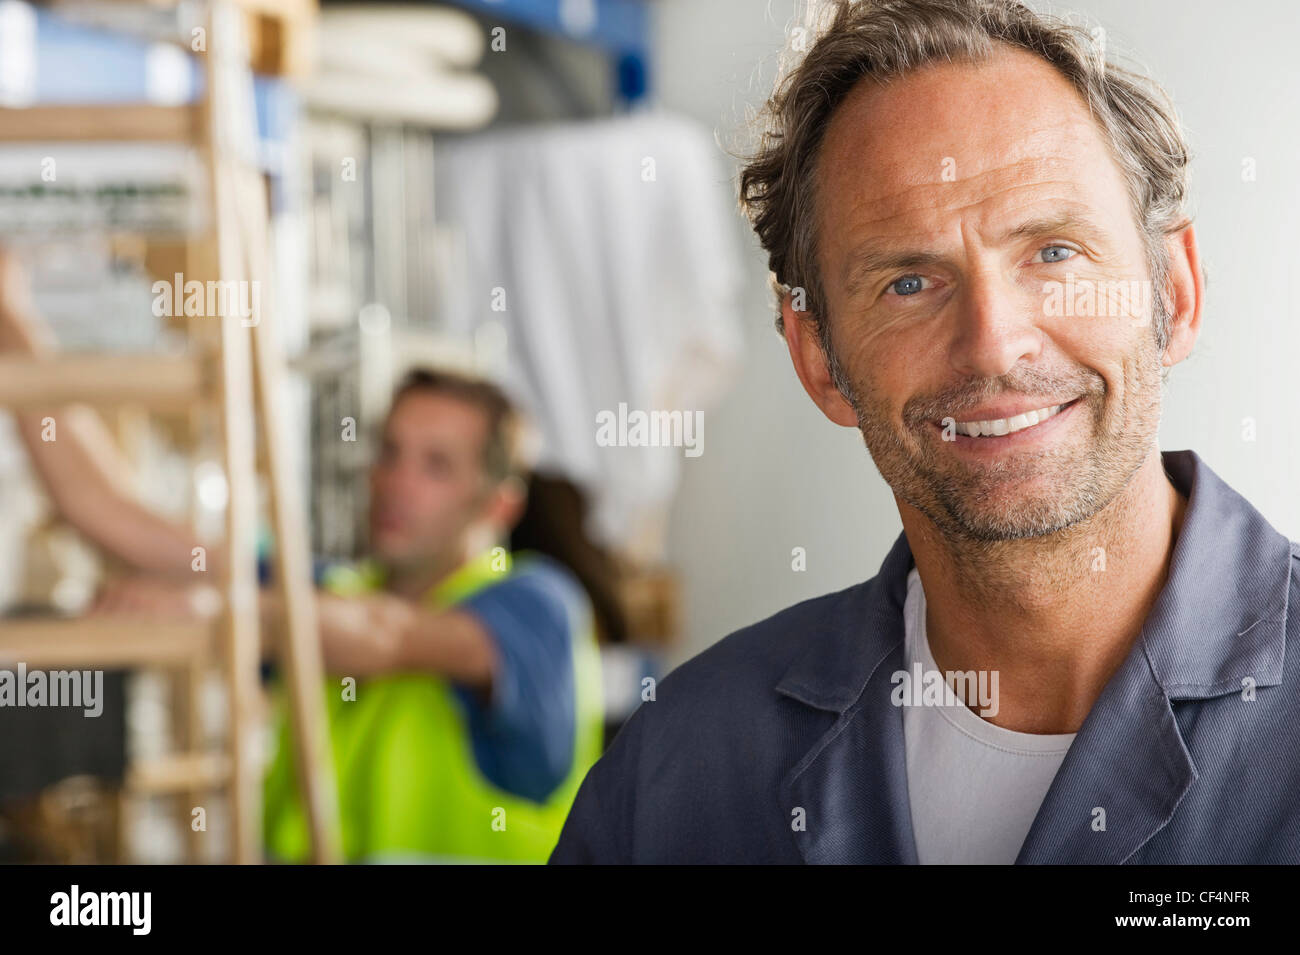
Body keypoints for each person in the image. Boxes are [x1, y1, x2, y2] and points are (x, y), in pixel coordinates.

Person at [550, 0, 1300, 864]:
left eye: (1053, 252)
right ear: (819, 360)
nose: (991, 341)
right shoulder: (679, 770)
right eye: (908, 282)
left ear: (1175, 292)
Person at [0, 254, 602, 862]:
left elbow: (386, 636)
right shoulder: (329, 591)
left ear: (497, 504)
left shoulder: (537, 605)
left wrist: (219, 608)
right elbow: (112, 516)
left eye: (436, 465)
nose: (395, 481)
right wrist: (10, 316)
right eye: (389, 451)